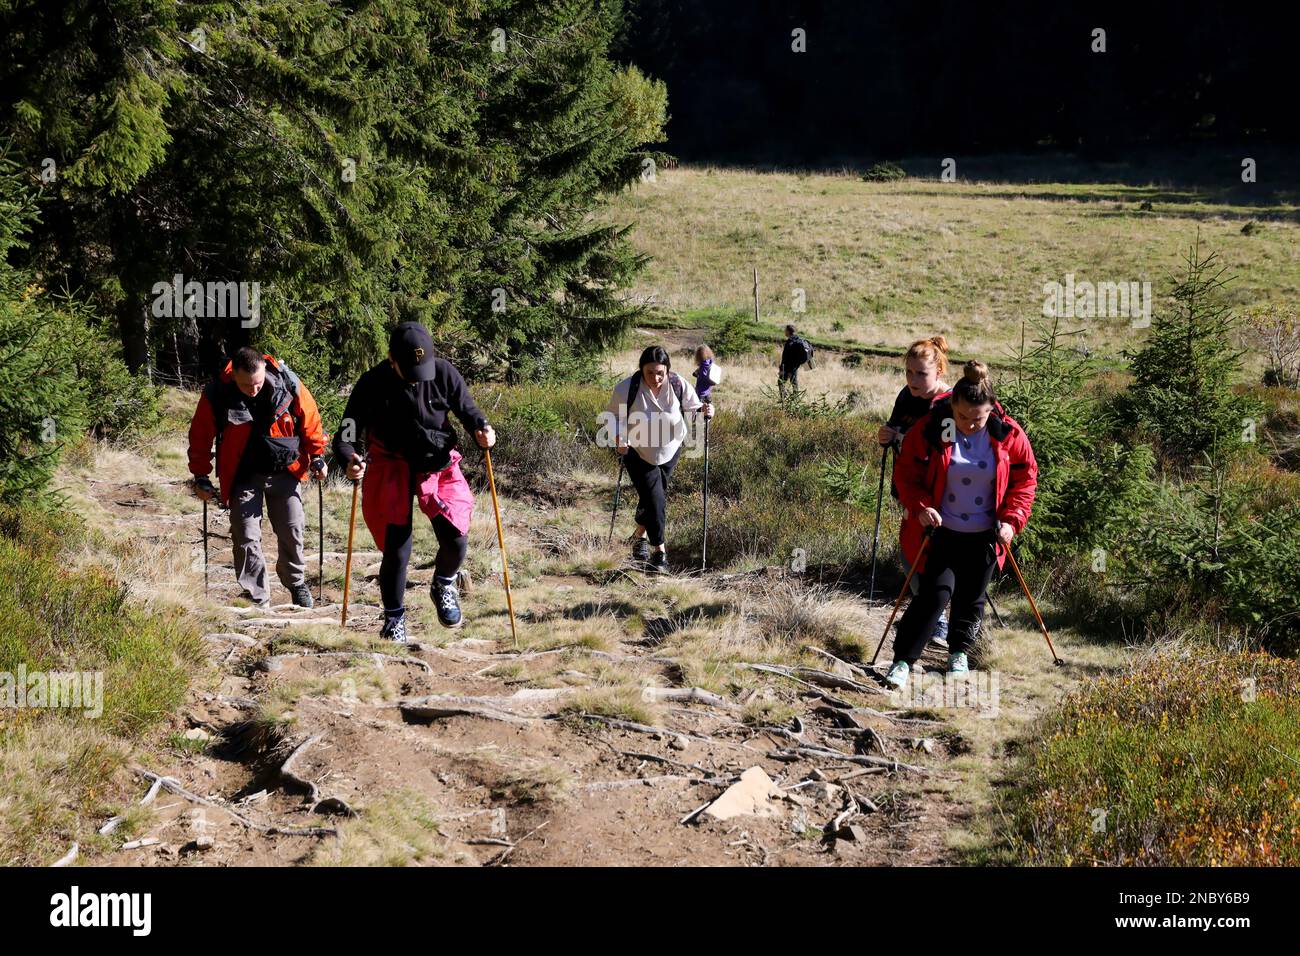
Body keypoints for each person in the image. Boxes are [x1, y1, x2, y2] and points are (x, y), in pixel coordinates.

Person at [332, 322, 496, 642]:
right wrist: (349, 458)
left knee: (456, 537)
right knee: (397, 549)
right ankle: (394, 620)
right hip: (391, 465)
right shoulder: (371, 383)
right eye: (410, 371)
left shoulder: (444, 373)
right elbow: (346, 433)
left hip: (437, 462)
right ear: (391, 359)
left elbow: (469, 410)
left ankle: (443, 584)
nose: (417, 377)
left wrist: (482, 429)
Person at [885, 360, 1038, 690]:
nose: (969, 424)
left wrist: (1012, 522)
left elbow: (1025, 480)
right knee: (934, 596)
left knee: (972, 597)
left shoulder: (1007, 433)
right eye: (962, 416)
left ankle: (959, 655)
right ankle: (902, 662)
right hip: (940, 532)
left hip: (986, 535)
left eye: (977, 418)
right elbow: (907, 474)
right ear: (952, 406)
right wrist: (921, 507)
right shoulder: (933, 428)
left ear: (991, 410)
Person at [188, 347, 327, 608]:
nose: (253, 390)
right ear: (234, 375)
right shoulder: (217, 393)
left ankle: (295, 582)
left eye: (258, 384)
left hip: (285, 469)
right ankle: (257, 597)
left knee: (292, 529)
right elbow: (200, 435)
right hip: (243, 474)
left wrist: (317, 456)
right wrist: (200, 475)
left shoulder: (287, 382)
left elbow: (310, 419)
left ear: (264, 369)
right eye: (246, 385)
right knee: (245, 535)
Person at [606, 345, 713, 573]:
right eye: (650, 373)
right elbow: (613, 415)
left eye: (660, 373)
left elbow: (693, 409)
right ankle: (659, 552)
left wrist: (705, 411)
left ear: (667, 370)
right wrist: (619, 437)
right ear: (641, 369)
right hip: (637, 451)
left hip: (670, 450)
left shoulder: (678, 384)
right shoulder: (627, 388)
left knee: (652, 497)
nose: (655, 378)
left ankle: (638, 536)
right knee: (656, 499)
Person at [877, 335, 952, 645]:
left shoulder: (949, 403)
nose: (913, 380)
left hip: (942, 493)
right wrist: (887, 435)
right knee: (911, 554)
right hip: (909, 488)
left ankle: (940, 618)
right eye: (909, 372)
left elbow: (946, 448)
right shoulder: (905, 396)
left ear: (939, 372)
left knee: (933, 556)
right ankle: (934, 615)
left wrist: (903, 438)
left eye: (921, 373)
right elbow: (896, 427)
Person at [778, 324, 814, 398]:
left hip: (788, 366)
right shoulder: (800, 340)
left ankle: (784, 399)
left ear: (788, 331)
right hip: (796, 365)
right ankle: (795, 399)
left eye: (785, 330)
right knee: (794, 382)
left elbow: (785, 357)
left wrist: (782, 369)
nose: (784, 332)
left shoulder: (789, 342)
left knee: (781, 382)